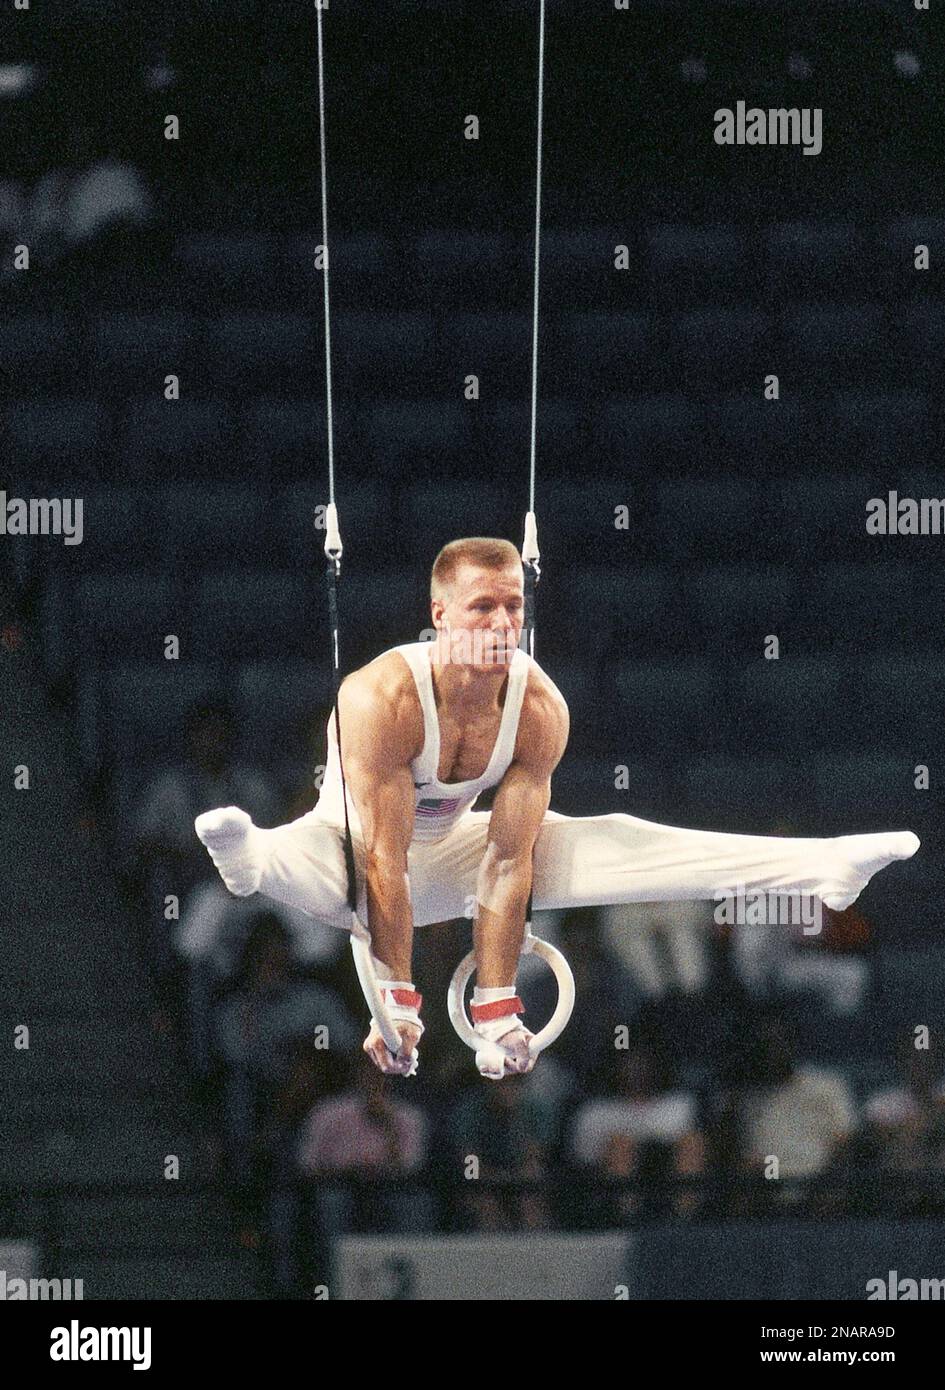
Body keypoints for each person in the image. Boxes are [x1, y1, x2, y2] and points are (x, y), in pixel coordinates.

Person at [194, 537, 920, 1080]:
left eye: (514, 606)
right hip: (350, 850)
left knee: (609, 838)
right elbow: (383, 869)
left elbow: (509, 867)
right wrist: (396, 1002)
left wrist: (499, 1005)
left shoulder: (538, 707)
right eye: (483, 607)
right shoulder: (380, 699)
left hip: (451, 852)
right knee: (318, 868)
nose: (503, 624)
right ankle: (251, 859)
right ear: (439, 614)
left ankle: (822, 866)